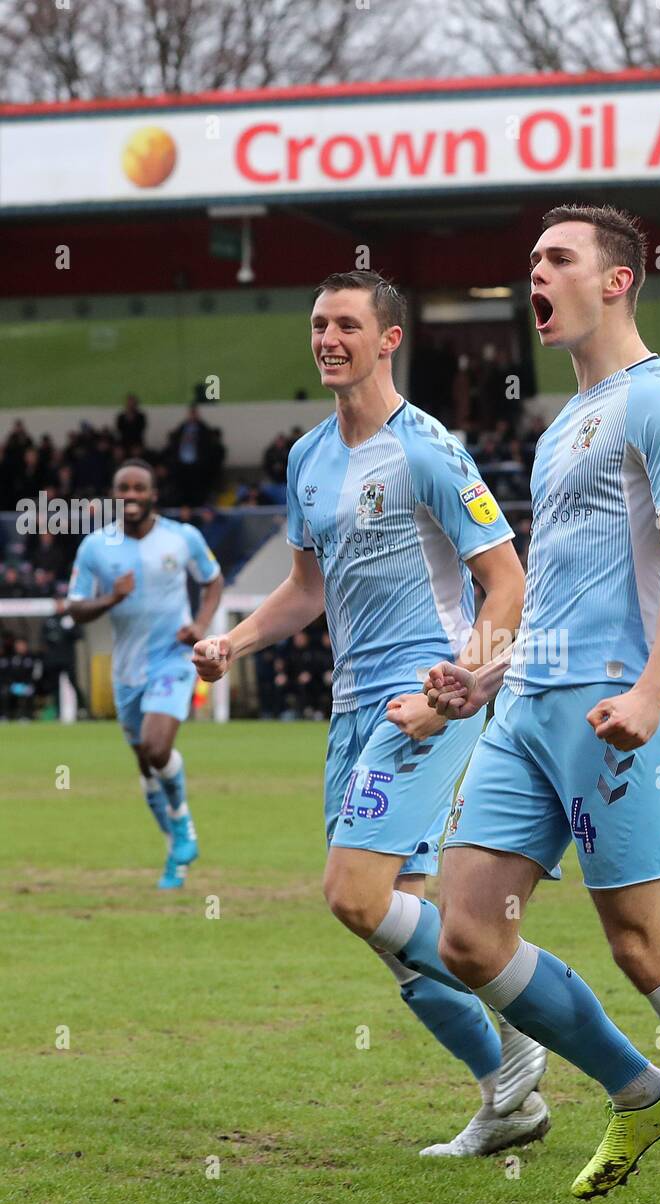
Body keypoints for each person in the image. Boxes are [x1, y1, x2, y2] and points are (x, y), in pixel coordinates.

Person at [424, 205, 660, 1204]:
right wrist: (480, 674)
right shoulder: (558, 424)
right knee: (467, 932)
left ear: (615, 281)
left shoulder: (658, 399)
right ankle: (636, 1090)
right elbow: (544, 587)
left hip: (610, 706)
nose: (533, 271)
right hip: (526, 705)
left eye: (555, 257)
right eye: (531, 257)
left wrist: (646, 689)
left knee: (639, 941)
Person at [192, 270, 547, 1158]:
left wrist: (462, 685)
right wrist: (235, 643)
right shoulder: (307, 458)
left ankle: (518, 1012)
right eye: (318, 323)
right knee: (396, 929)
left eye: (347, 323)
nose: (327, 337)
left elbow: (505, 579)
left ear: (389, 339)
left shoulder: (427, 448)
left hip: (424, 702)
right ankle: (509, 1098)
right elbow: (306, 590)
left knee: (356, 898)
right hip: (352, 708)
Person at [67, 463, 223, 888]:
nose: (131, 495)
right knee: (145, 763)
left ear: (154, 494)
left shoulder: (182, 537)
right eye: (123, 488)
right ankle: (177, 848)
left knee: (157, 748)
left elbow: (212, 580)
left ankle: (183, 826)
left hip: (173, 659)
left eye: (140, 488)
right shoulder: (96, 547)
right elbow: (75, 607)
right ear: (113, 495)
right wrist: (111, 597)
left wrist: (202, 624)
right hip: (127, 671)